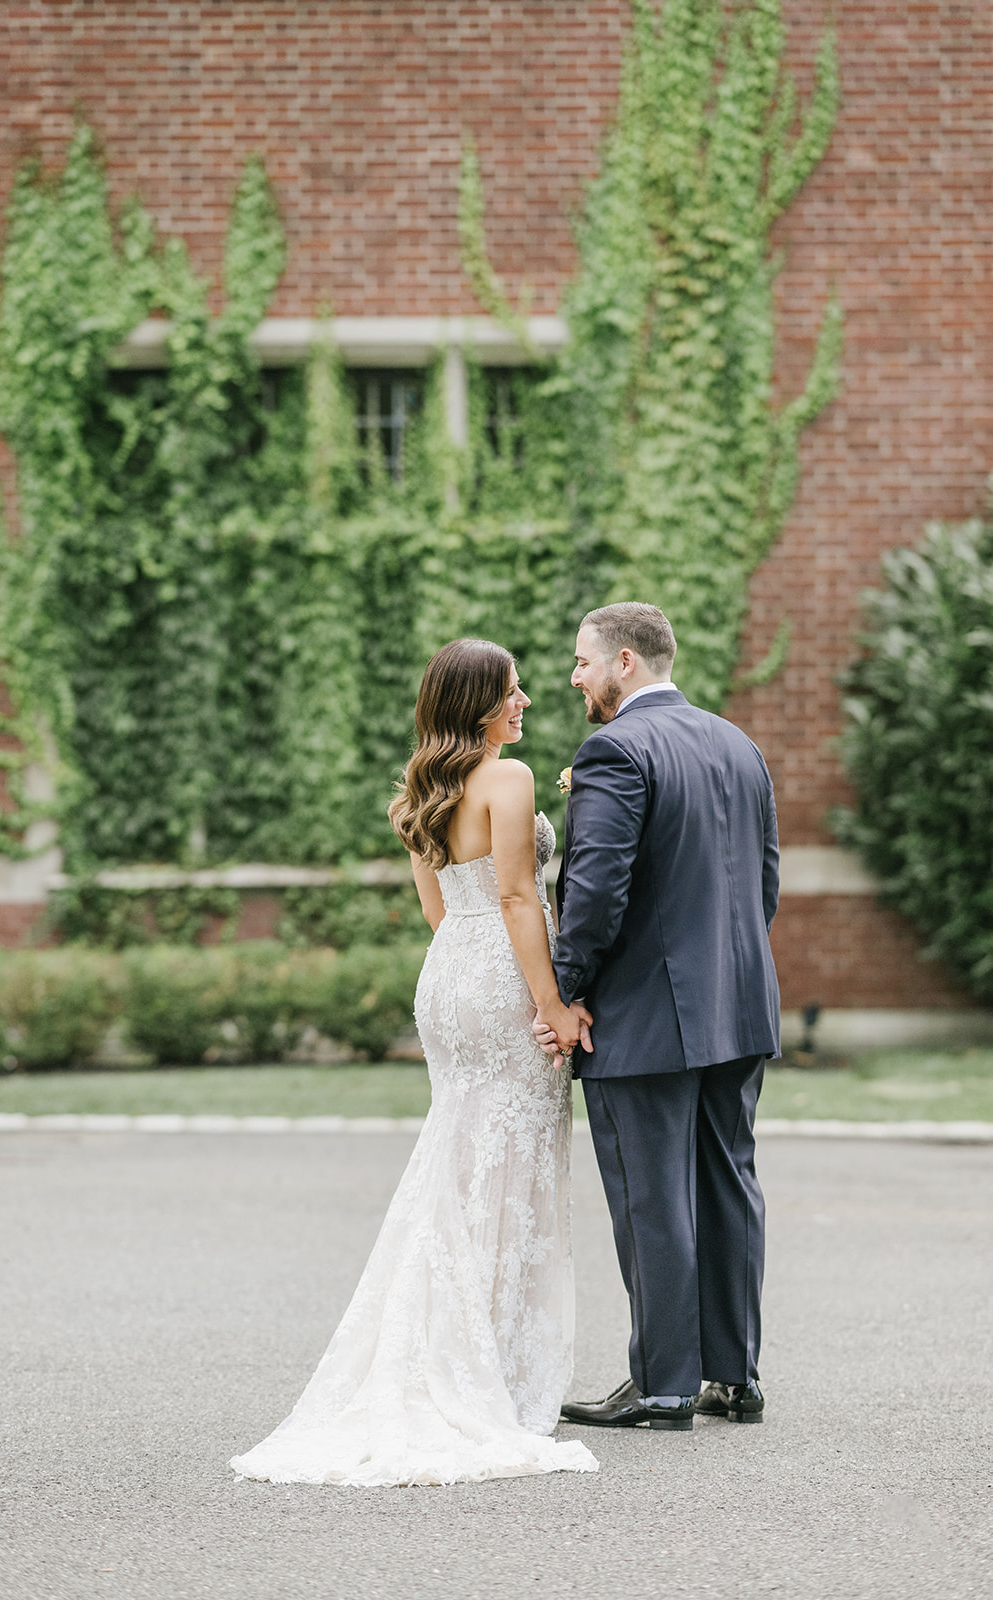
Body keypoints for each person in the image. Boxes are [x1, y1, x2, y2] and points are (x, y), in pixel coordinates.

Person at [230, 638, 598, 1486]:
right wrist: (550, 1004)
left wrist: (478, 970)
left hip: (448, 977)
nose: (525, 702)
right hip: (504, 974)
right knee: (511, 1166)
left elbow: (440, 909)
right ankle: (489, 1366)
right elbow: (517, 895)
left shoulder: (420, 789)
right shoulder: (508, 779)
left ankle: (443, 1345)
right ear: (477, 703)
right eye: (511, 691)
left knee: (457, 1157)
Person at [534, 603, 780, 1432]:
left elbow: (595, 890)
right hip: (737, 1006)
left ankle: (664, 1385)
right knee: (727, 1184)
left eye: (582, 661)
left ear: (625, 662)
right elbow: (763, 885)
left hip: (644, 1015)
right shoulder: (737, 745)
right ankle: (733, 1379)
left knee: (652, 1196)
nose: (574, 677)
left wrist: (567, 990)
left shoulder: (614, 749)